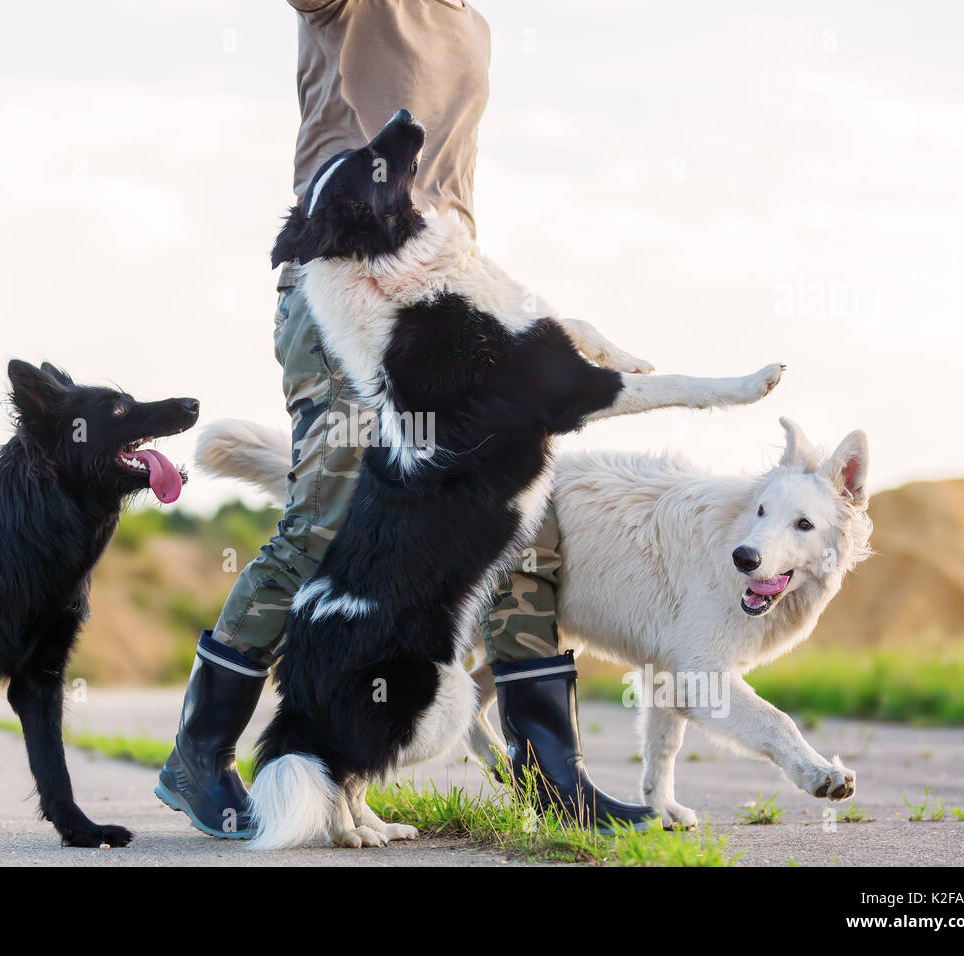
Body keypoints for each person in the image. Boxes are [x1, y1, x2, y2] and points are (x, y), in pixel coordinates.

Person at [155, 0, 658, 838]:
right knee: (321, 523)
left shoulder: (474, 25)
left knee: (523, 529)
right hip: (349, 292)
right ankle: (199, 757)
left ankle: (552, 778)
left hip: (445, 294)